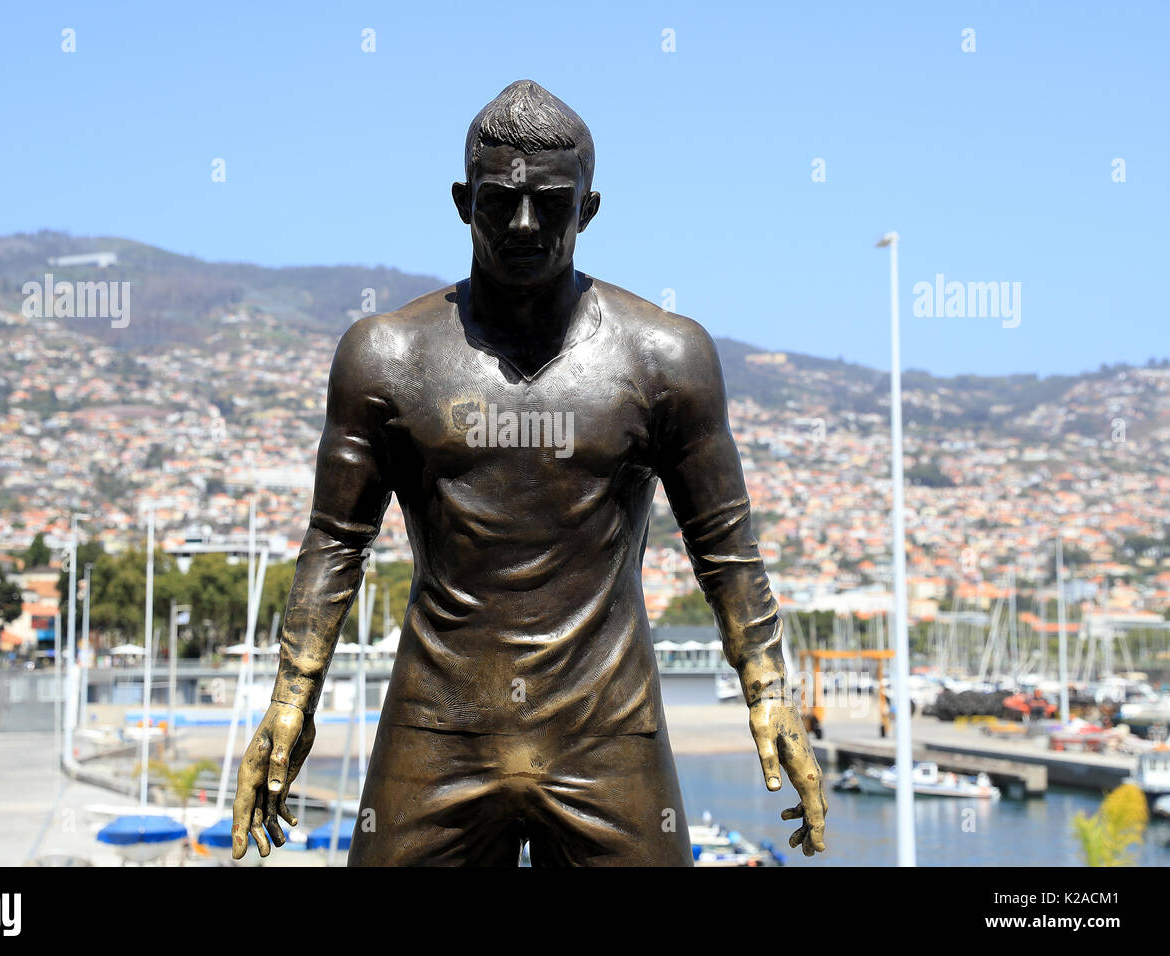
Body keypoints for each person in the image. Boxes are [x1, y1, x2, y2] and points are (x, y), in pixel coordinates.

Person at [232, 80, 827, 866]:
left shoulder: (666, 357)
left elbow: (723, 544)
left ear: (589, 208)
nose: (523, 225)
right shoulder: (386, 356)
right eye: (497, 202)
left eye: (549, 203)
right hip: (436, 726)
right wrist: (289, 700)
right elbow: (336, 541)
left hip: (607, 730)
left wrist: (769, 690)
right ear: (459, 201)